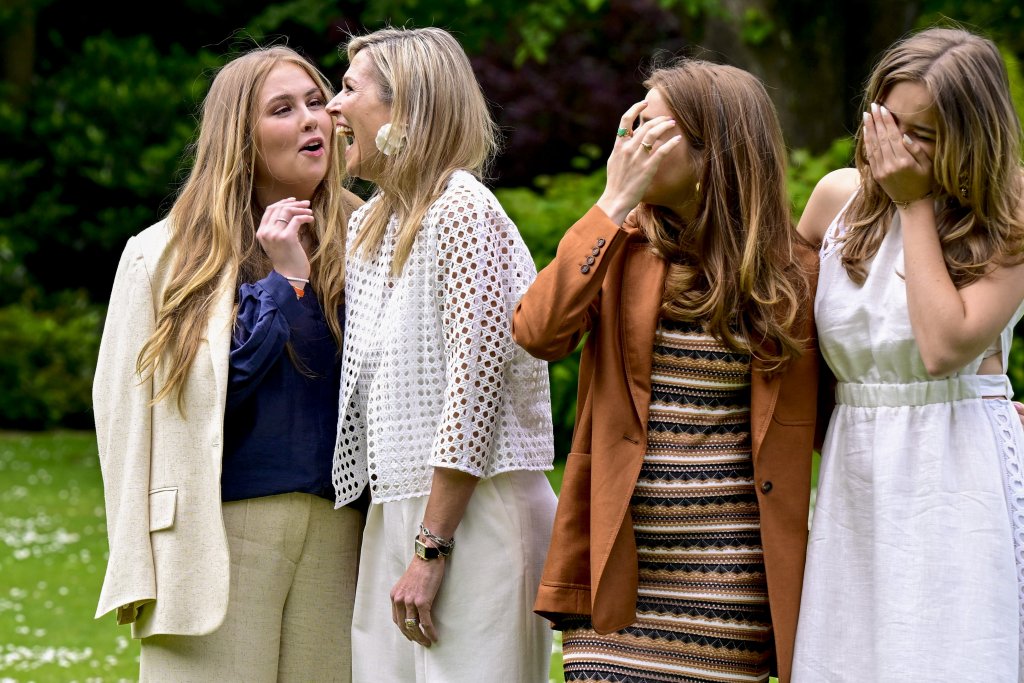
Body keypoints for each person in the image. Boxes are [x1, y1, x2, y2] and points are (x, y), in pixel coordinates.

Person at [513, 59, 823, 683]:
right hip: (616, 583)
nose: (630, 145)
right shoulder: (620, 245)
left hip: (726, 594)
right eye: (631, 128)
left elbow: (845, 409)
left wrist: (974, 407)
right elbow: (538, 332)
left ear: (716, 148)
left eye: (650, 130)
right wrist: (611, 201)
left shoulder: (794, 274)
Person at [92, 45, 364, 682]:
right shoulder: (163, 254)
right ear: (240, 137)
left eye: (316, 102)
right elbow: (154, 406)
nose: (311, 120)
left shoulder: (371, 234)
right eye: (282, 109)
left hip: (342, 536)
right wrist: (285, 282)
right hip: (214, 534)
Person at [791, 27, 1024, 682]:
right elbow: (777, 323)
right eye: (889, 122)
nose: (896, 146)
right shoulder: (837, 200)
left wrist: (914, 204)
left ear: (971, 137)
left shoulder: (1011, 212)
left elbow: (944, 346)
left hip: (958, 465)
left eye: (922, 133)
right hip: (857, 470)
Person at [325, 26, 558, 682]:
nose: (331, 108)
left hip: (472, 518)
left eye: (348, 89)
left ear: (408, 110)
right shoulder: (368, 224)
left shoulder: (462, 210)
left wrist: (432, 546)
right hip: (400, 511)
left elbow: (474, 384)